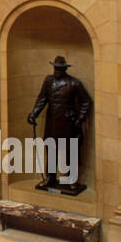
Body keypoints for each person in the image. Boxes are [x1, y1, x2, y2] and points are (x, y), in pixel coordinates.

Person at [27, 56, 92, 192]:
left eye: (59, 68)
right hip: (52, 120)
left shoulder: (74, 83)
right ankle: (50, 177)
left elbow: (86, 101)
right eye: (55, 67)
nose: (57, 70)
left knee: (69, 151)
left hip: (68, 122)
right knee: (51, 149)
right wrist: (34, 113)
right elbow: (42, 99)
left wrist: (80, 119)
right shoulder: (48, 81)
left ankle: (71, 179)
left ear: (64, 69)